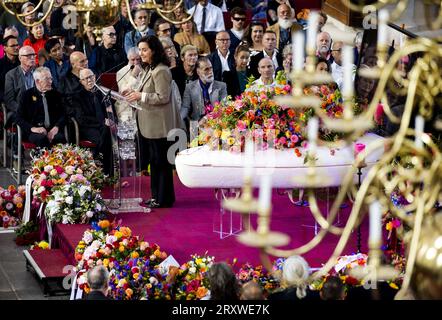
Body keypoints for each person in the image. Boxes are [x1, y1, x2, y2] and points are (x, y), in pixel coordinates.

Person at [124, 35, 182, 209]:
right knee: (155, 164)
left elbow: (163, 97)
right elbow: (147, 90)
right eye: (140, 50)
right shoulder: (151, 68)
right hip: (150, 125)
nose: (141, 53)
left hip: (160, 126)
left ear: (154, 51)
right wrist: (133, 91)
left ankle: (163, 199)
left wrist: (140, 95)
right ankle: (157, 196)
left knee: (161, 164)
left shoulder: (162, 70)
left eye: (144, 50)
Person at [69, 68, 113, 175]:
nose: (89, 80)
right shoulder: (77, 96)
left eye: (91, 77)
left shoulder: (102, 92)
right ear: (81, 82)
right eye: (85, 79)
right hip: (89, 128)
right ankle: (107, 170)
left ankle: (102, 163)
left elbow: (111, 110)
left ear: (95, 77)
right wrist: (103, 122)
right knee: (106, 135)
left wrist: (111, 117)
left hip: (105, 126)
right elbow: (81, 119)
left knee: (108, 133)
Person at [16, 67, 66, 148]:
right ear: (37, 81)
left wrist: (56, 127)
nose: (50, 82)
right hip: (34, 131)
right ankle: (44, 160)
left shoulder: (56, 95)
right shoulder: (26, 95)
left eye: (51, 78)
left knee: (59, 138)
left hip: (53, 129)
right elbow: (18, 118)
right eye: (47, 79)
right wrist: (33, 128)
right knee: (41, 139)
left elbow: (64, 114)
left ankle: (59, 160)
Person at [180, 57, 227, 122]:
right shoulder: (190, 87)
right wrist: (179, 118)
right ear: (198, 72)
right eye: (206, 69)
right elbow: (185, 107)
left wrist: (206, 118)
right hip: (197, 124)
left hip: (217, 123)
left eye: (211, 68)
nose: (210, 72)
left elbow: (223, 106)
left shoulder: (222, 86)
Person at [4, 46, 36, 127]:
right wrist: (24, 109)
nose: (32, 58)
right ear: (20, 58)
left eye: (33, 55)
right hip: (20, 111)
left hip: (38, 110)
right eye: (28, 56)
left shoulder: (40, 72)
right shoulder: (11, 75)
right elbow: (9, 101)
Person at [116, 47, 142, 122]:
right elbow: (124, 92)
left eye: (138, 59)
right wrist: (133, 76)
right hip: (127, 108)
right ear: (128, 59)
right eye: (133, 60)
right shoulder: (121, 72)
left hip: (142, 105)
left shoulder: (145, 69)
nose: (136, 62)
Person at [0, 35, 20, 104]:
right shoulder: (1, 64)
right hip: (8, 100)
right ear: (5, 48)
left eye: (17, 45)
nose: (16, 48)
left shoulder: (23, 61)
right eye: (13, 46)